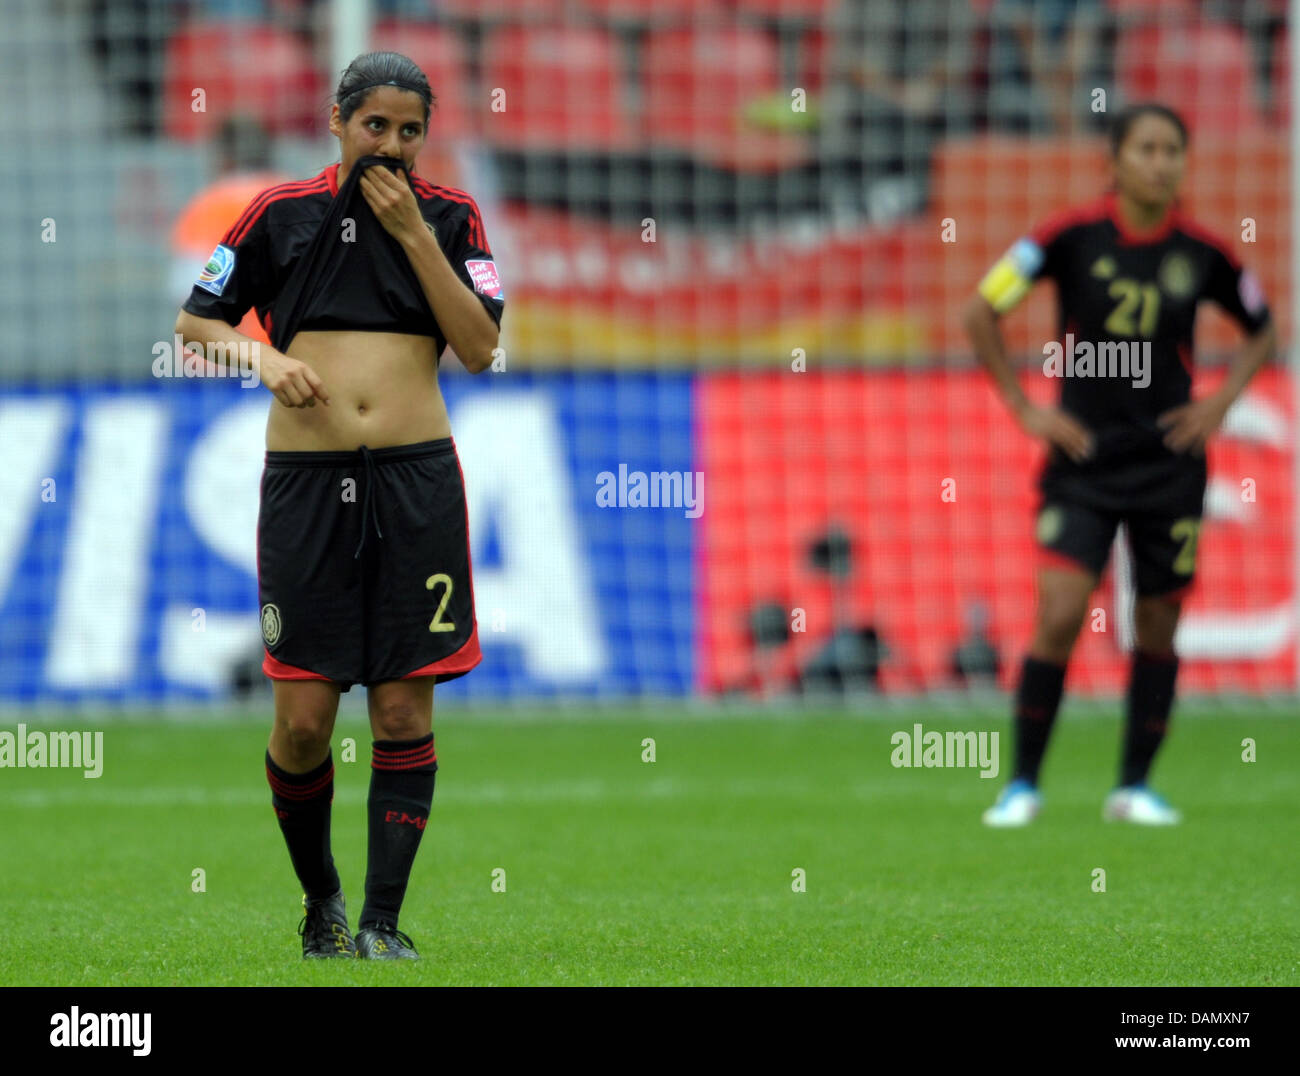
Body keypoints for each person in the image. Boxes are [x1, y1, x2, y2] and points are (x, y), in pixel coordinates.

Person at [174, 51, 504, 957]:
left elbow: (478, 347)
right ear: (337, 121)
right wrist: (263, 358)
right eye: (375, 128)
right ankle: (320, 899)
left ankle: (383, 923)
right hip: (308, 491)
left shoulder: (452, 219)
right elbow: (193, 324)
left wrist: (413, 239)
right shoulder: (282, 216)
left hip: (415, 485)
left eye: (409, 132)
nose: (392, 148)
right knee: (304, 721)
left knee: (403, 714)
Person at [962, 103, 1275, 826]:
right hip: (1085, 462)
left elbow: (1262, 330)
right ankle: (1022, 786)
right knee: (1060, 614)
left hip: (1170, 464)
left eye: (1174, 150)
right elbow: (982, 308)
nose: (1162, 162)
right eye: (1148, 148)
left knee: (1158, 623)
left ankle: (1133, 786)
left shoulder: (1204, 253)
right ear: (1114, 161)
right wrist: (1023, 406)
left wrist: (1220, 402)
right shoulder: (1067, 239)